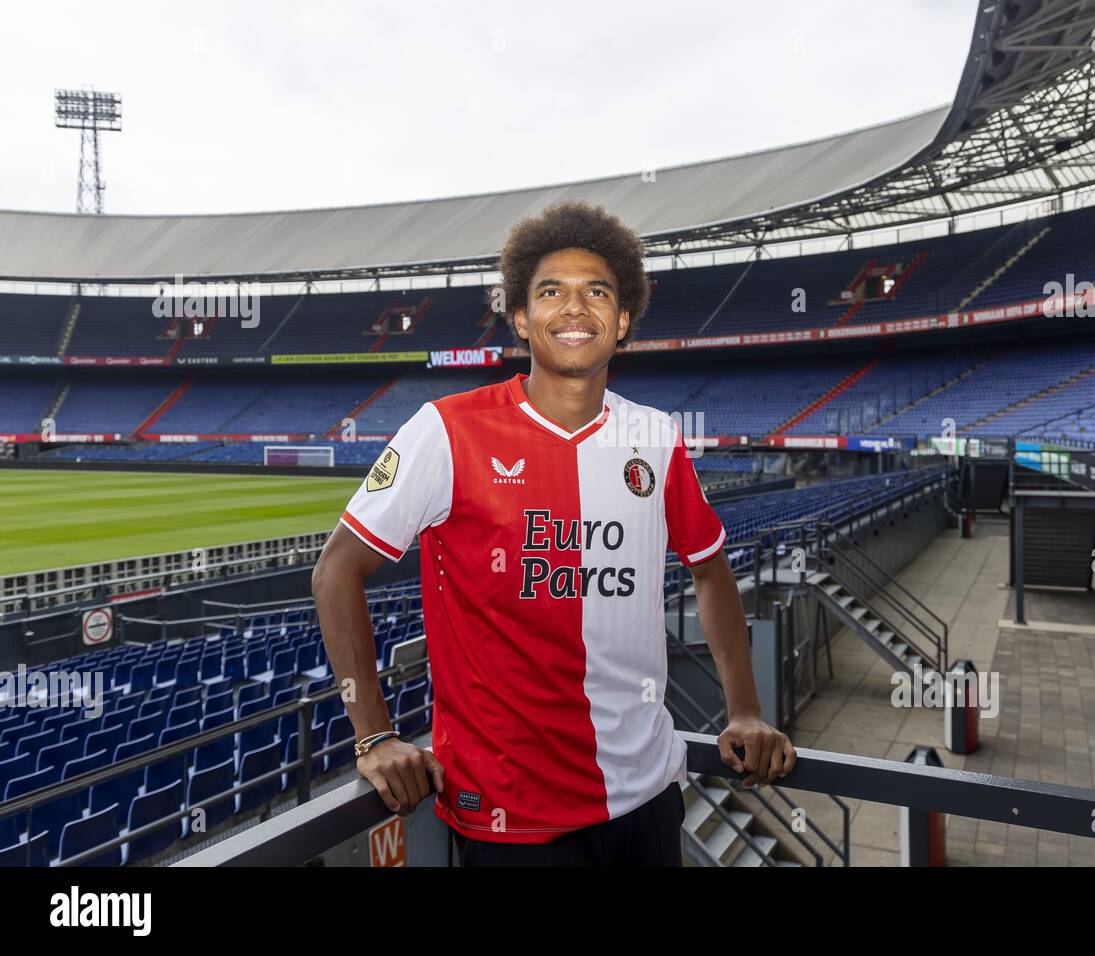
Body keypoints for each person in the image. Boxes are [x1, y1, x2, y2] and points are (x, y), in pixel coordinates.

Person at [312, 199, 796, 866]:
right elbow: (336, 571)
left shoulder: (654, 437)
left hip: (651, 795)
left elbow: (709, 569)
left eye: (596, 291)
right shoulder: (447, 430)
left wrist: (742, 709)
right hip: (511, 821)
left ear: (622, 320)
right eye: (550, 292)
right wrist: (373, 736)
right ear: (520, 317)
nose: (574, 308)